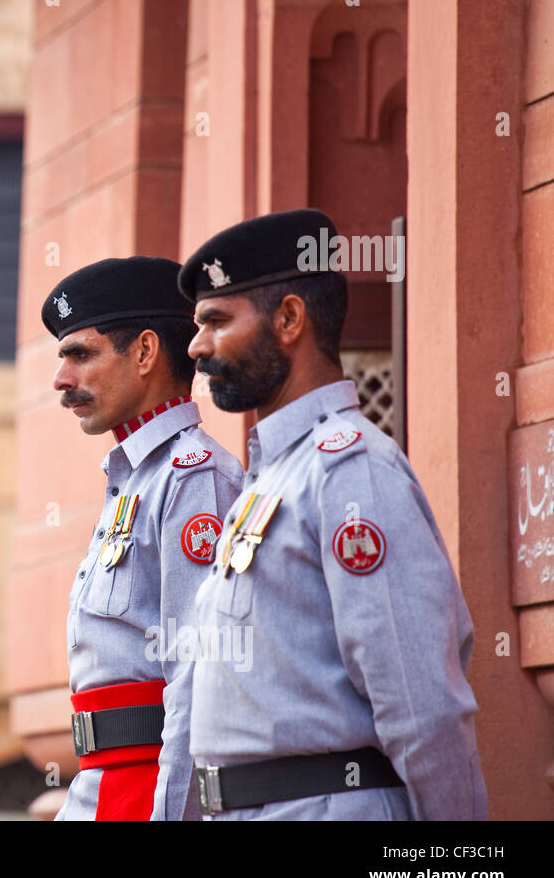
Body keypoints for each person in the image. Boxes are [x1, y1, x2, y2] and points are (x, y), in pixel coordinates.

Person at [180, 208, 487, 820]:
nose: (197, 346)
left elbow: (421, 704)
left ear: (290, 319)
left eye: (217, 320)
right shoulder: (272, 476)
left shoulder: (350, 471)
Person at [45, 257, 243, 820]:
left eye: (80, 354)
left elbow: (195, 680)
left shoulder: (193, 476)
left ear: (146, 352)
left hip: (148, 791)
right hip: (101, 787)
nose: (61, 380)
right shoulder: (135, 477)